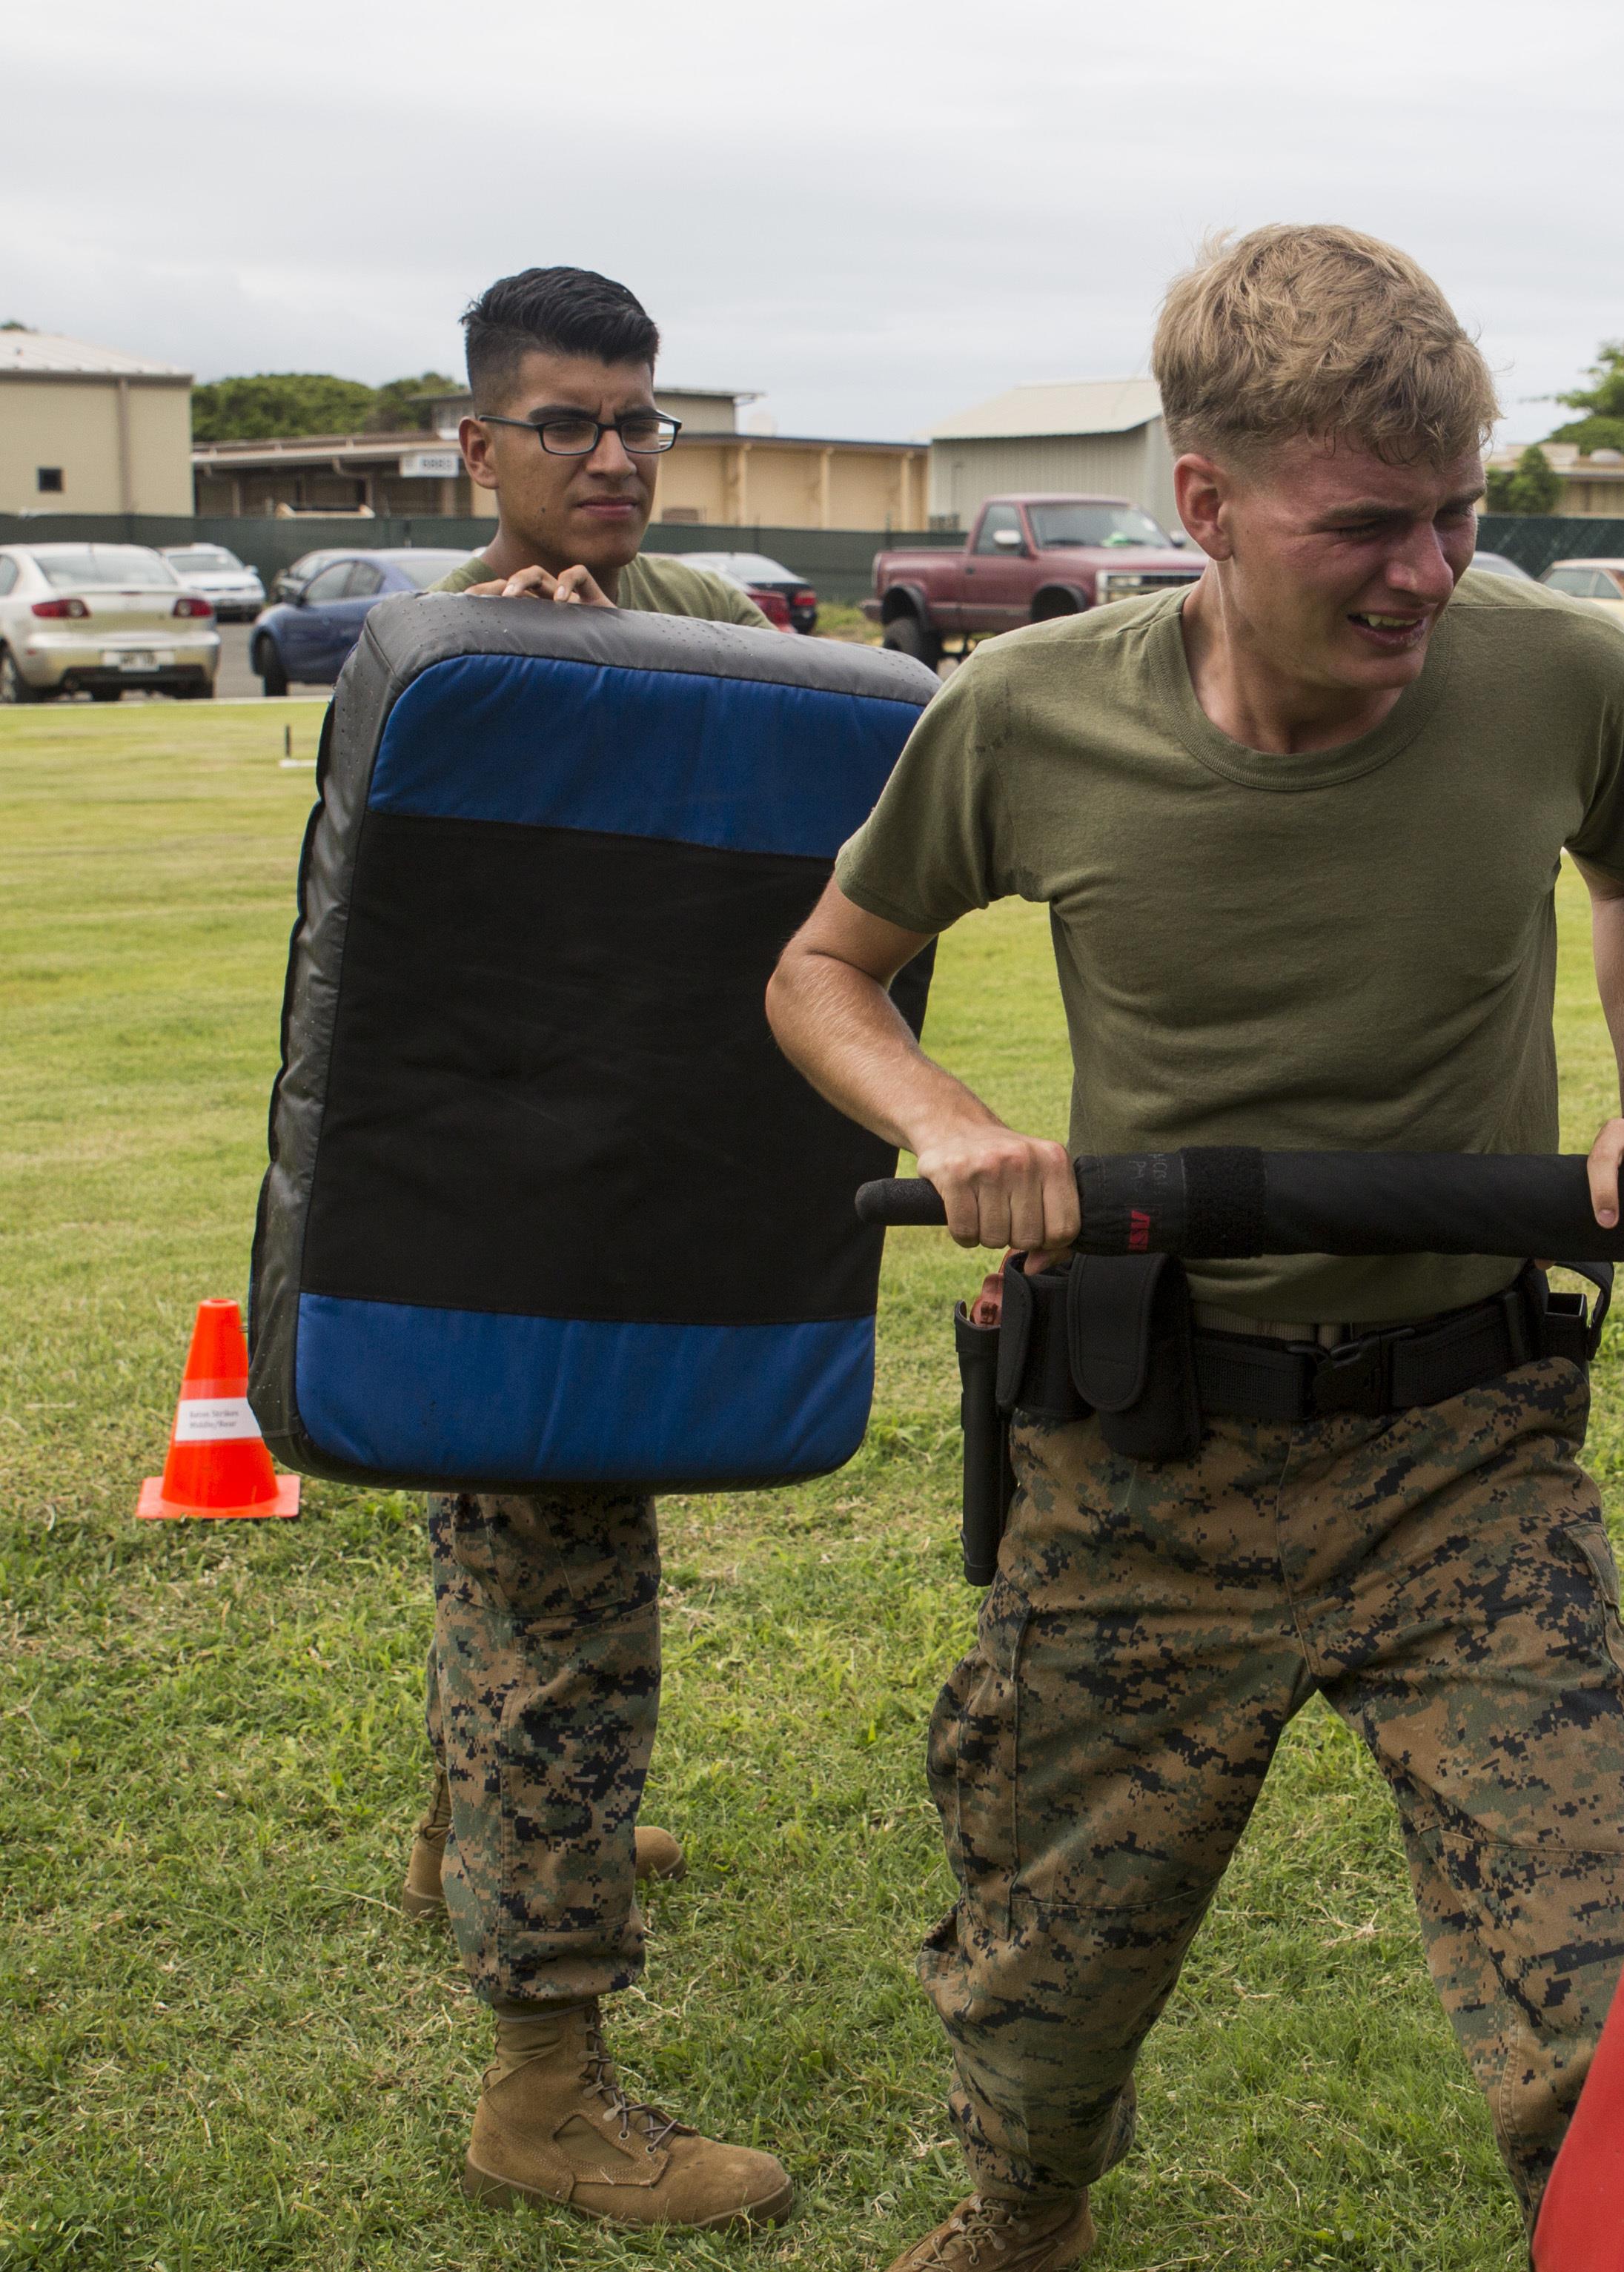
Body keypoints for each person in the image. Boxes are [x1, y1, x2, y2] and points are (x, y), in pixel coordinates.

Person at [766, 224, 1624, 2272]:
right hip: (1148, 1445)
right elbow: (824, 971)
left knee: (1618, 1999)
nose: (1427, 572)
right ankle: (1025, 2211)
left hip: (1467, 1444)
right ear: (1202, 503)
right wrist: (948, 1120)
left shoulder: (1556, 671)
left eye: (1459, 514)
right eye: (1365, 526)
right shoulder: (1026, 714)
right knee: (1044, 1978)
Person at [406, 264, 793, 2234]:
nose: (617, 455)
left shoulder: (701, 611)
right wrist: (534, 675)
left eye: (643, 420)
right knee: (562, 1609)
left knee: (523, 1554)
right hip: (502, 1202)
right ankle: (541, 2095)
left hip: (649, 1172)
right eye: (569, 422)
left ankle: (464, 1827)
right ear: (480, 443)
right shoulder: (427, 643)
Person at [428, 265, 768, 623]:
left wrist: (615, 646)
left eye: (638, 427)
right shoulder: (429, 637)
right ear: (481, 453)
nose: (617, 464)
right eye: (566, 428)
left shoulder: (713, 611)